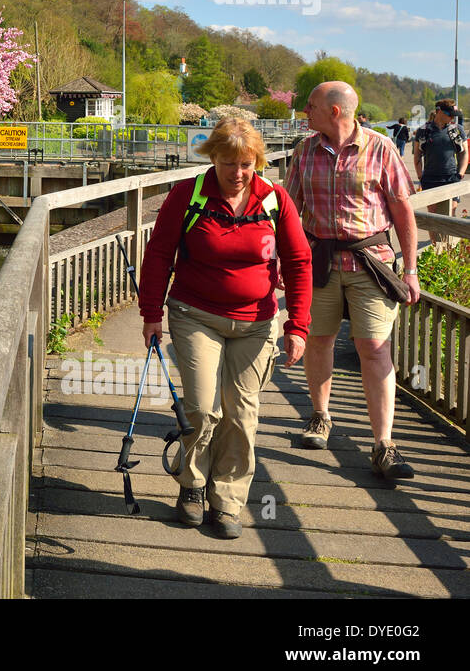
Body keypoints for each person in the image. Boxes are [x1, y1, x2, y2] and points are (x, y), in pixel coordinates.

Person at [138, 118, 311, 539]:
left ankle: (228, 500)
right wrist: (150, 313)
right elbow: (159, 254)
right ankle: (193, 487)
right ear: (211, 157)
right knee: (201, 408)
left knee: (242, 415)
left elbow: (299, 261)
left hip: (256, 323)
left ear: (258, 162)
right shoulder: (188, 195)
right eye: (228, 163)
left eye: (247, 164)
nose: (237, 173)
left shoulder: (275, 200)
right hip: (195, 314)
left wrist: (298, 326)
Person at [285, 82, 420, 479]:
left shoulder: (380, 148)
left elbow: (402, 211)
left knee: (375, 348)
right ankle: (321, 417)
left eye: (310, 107)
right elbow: (289, 210)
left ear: (336, 112)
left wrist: (409, 270)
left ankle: (384, 445)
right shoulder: (304, 150)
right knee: (318, 339)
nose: (305, 112)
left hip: (370, 262)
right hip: (319, 260)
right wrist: (278, 258)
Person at [413, 99, 467, 191]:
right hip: (430, 179)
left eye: (454, 115)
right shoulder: (423, 130)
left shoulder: (457, 129)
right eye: (450, 115)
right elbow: (417, 154)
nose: (452, 118)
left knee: (452, 206)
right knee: (434, 206)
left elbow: (464, 153)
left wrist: (460, 173)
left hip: (452, 178)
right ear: (440, 112)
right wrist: (420, 176)